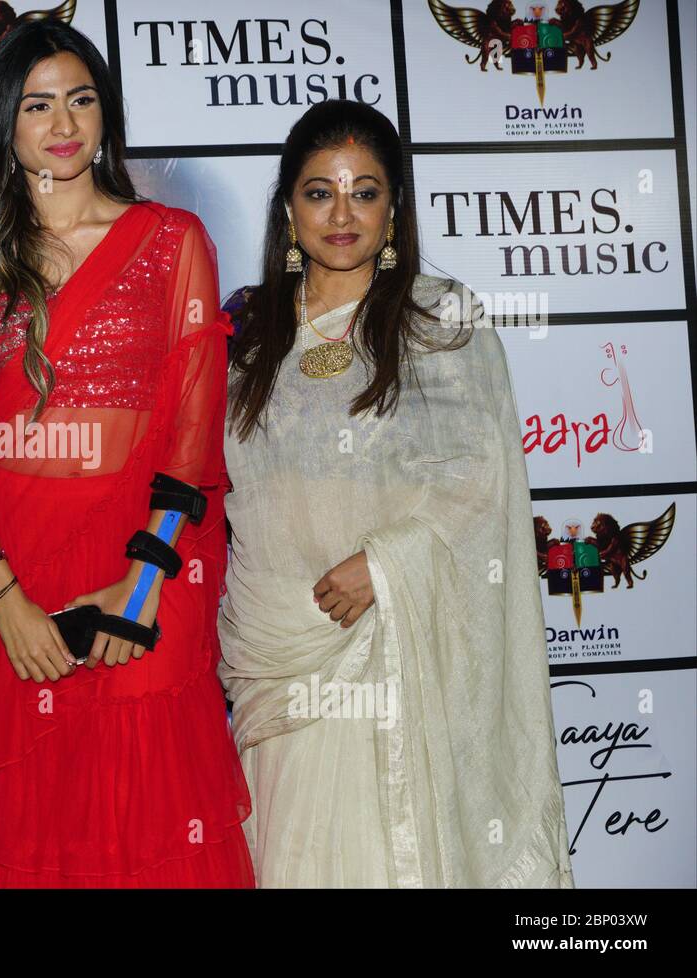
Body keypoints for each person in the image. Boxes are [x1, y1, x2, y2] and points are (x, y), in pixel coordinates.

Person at [0, 21, 252, 888]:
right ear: (4, 120)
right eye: (37, 104)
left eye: (81, 99)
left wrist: (142, 587)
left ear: (106, 115)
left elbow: (193, 438)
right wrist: (5, 598)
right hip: (6, 575)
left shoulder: (171, 240)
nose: (63, 122)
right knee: (24, 831)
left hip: (140, 575)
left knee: (147, 826)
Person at [218, 99, 574, 888]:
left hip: (390, 644)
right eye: (319, 192)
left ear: (395, 208)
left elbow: (478, 483)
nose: (341, 214)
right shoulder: (243, 333)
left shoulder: (441, 322)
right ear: (287, 208)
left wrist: (383, 565)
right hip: (276, 652)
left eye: (365, 191)